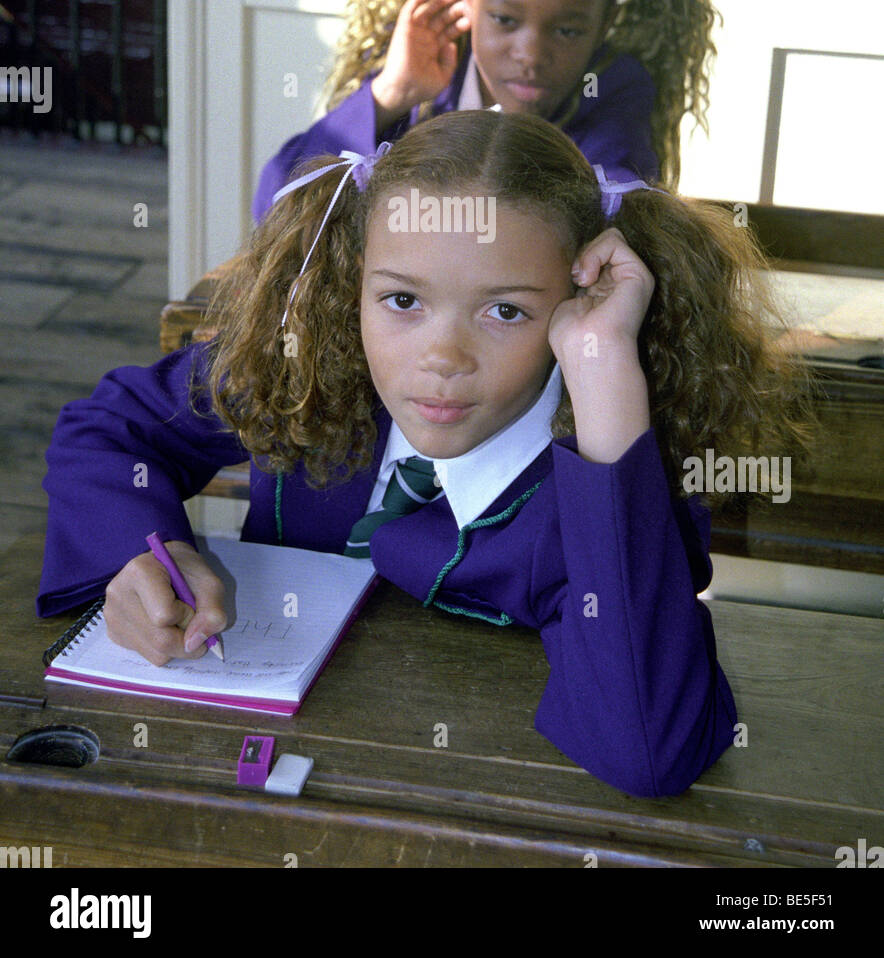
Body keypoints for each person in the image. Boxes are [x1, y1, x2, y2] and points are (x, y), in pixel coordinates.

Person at [38, 112, 808, 797]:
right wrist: (142, 553)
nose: (443, 357)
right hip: (248, 776)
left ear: (578, 297)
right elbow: (112, 428)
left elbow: (650, 749)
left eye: (506, 311)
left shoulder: (609, 484)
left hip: (462, 805)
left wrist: (604, 368)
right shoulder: (308, 376)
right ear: (353, 284)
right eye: (401, 300)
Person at [253, 0, 719, 219]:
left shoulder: (614, 91)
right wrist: (388, 96)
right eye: (505, 20)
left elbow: (618, 213)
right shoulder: (422, 80)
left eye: (568, 31)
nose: (531, 55)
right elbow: (276, 204)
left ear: (605, 23)